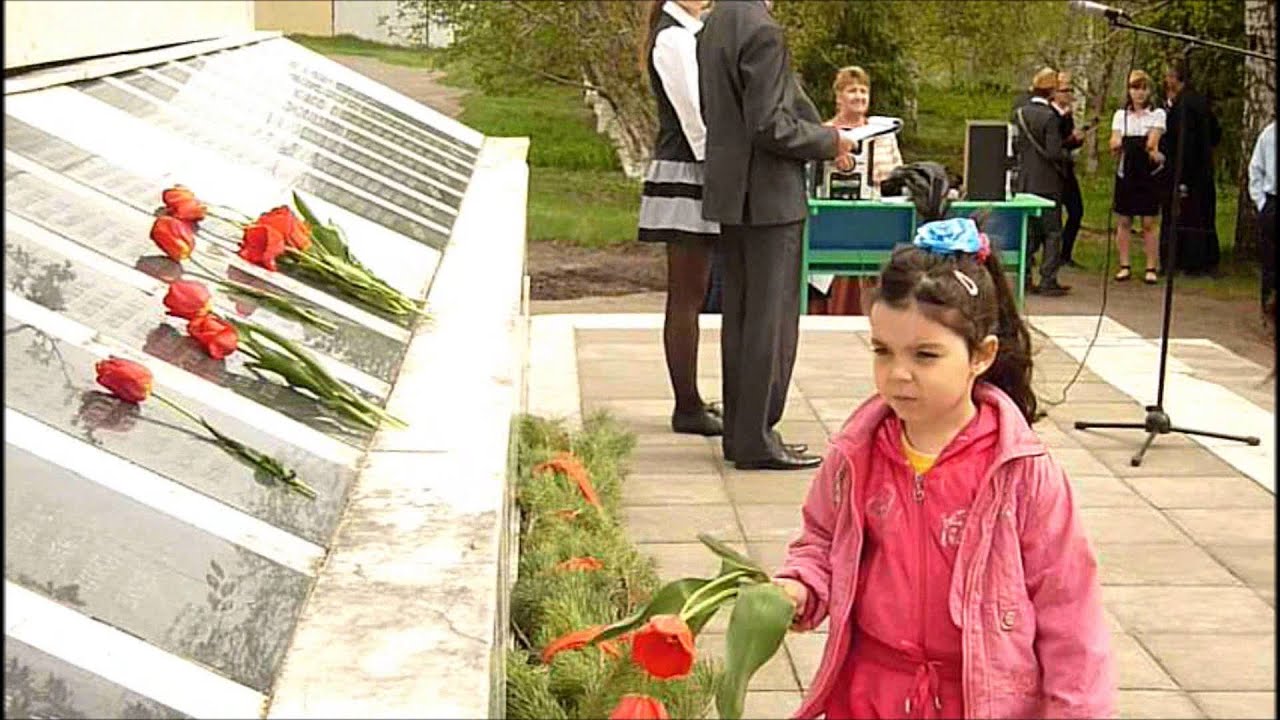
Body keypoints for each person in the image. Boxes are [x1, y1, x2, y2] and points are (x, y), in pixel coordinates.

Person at [770, 164, 1114, 719]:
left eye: (925, 355)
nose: (899, 374)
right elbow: (820, 544)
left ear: (981, 355)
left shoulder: (1021, 473)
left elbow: (1070, 614)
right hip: (870, 695)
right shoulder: (855, 456)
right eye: (883, 351)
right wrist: (798, 588)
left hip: (980, 699)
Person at [698, 0, 854, 471]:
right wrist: (831, 142)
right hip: (768, 196)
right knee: (771, 322)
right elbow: (768, 125)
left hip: (735, 193)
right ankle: (756, 437)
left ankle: (742, 433)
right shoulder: (762, 30)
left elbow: (733, 111)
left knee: (742, 321)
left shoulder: (717, 20)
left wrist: (817, 128)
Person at [636, 0, 723, 436]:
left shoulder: (690, 30)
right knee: (687, 294)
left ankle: (691, 401)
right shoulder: (673, 37)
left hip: (695, 168)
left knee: (694, 291)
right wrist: (719, 170)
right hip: (688, 171)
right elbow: (694, 117)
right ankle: (686, 405)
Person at [810, 65, 905, 316]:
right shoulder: (823, 133)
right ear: (839, 96)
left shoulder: (884, 134)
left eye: (864, 91)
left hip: (873, 219)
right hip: (832, 223)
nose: (860, 96)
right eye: (852, 90)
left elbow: (896, 177)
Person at [1011, 67, 1072, 296]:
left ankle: (1025, 276)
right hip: (1047, 182)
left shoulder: (1020, 113)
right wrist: (1069, 156)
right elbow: (1054, 152)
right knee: (1053, 231)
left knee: (1029, 231)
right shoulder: (1049, 117)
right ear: (1051, 92)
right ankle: (1048, 278)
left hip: (1025, 179)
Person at [1160, 61, 1221, 276]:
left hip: (1186, 169)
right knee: (1203, 214)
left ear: (1177, 79)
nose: (1167, 81)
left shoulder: (1182, 106)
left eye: (1169, 76)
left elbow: (1182, 141)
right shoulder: (1201, 101)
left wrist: (1179, 169)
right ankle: (1206, 259)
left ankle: (1188, 261)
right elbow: (1215, 133)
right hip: (1203, 168)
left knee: (1186, 215)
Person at [1109, 69, 1167, 285]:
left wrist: (1130, 142)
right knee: (1124, 219)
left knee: (1149, 221)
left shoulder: (1157, 115)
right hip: (1127, 172)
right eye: (1135, 88)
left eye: (1143, 88)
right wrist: (1123, 142)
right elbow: (1114, 142)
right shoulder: (1120, 115)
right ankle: (1124, 265)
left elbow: (1152, 143)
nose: (1139, 93)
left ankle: (1151, 266)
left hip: (1148, 172)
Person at [1053, 71, 1087, 269]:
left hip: (1067, 169)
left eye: (1070, 90)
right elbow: (1055, 146)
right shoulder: (1051, 115)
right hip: (1056, 172)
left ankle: (1065, 253)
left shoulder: (1067, 115)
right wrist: (1073, 140)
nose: (1068, 94)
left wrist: (1077, 141)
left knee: (1076, 211)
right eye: (1064, 90)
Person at [1248, 120, 1275, 333]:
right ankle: (1268, 314)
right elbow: (1255, 169)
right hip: (1273, 202)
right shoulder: (1269, 134)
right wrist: (1262, 203)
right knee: (1270, 264)